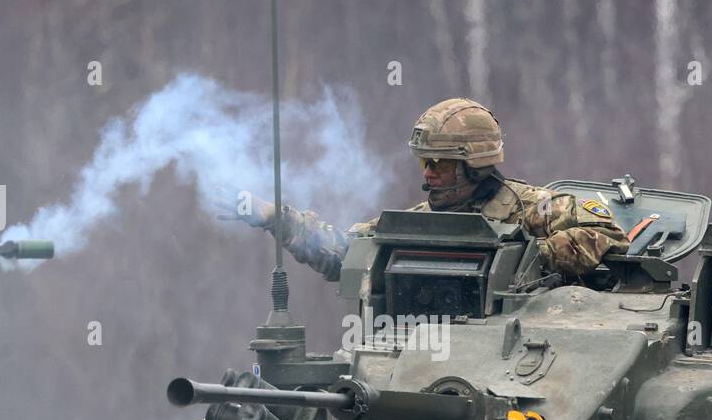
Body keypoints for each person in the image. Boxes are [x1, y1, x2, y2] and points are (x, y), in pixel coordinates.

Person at [229, 97, 629, 282]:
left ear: (473, 163)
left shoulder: (533, 208)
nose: (429, 172)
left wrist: (526, 259)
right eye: (424, 162)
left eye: (439, 162)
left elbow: (611, 236)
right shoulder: (419, 224)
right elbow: (342, 254)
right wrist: (274, 218)